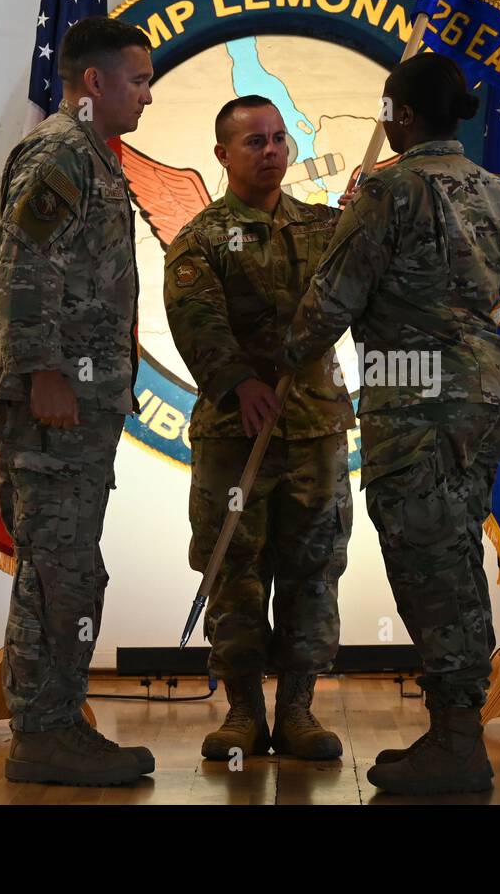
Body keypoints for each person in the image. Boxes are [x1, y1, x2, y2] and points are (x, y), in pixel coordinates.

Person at [286, 53, 500, 795]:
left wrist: (283, 359)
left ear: (405, 117)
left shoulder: (389, 189)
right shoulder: (495, 188)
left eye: (388, 111)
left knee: (429, 561)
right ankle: (457, 728)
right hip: (489, 389)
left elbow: (335, 298)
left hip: (422, 399)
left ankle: (458, 740)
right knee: (453, 551)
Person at [0, 17, 153, 786]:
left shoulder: (93, 158)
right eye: (138, 80)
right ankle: (49, 730)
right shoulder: (59, 153)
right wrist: (44, 370)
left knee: (53, 570)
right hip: (54, 400)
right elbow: (24, 268)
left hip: (81, 399)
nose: (147, 94)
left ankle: (43, 727)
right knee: (68, 574)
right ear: (95, 83)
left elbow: (84, 279)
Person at [163, 96, 355, 762]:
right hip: (234, 435)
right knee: (235, 571)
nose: (270, 150)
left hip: (315, 431)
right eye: (253, 142)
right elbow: (196, 319)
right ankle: (243, 711)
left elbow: (360, 285)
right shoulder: (204, 237)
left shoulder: (329, 229)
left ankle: (297, 709)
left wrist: (368, 217)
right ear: (222, 154)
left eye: (278, 139)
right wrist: (238, 382)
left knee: (314, 570)